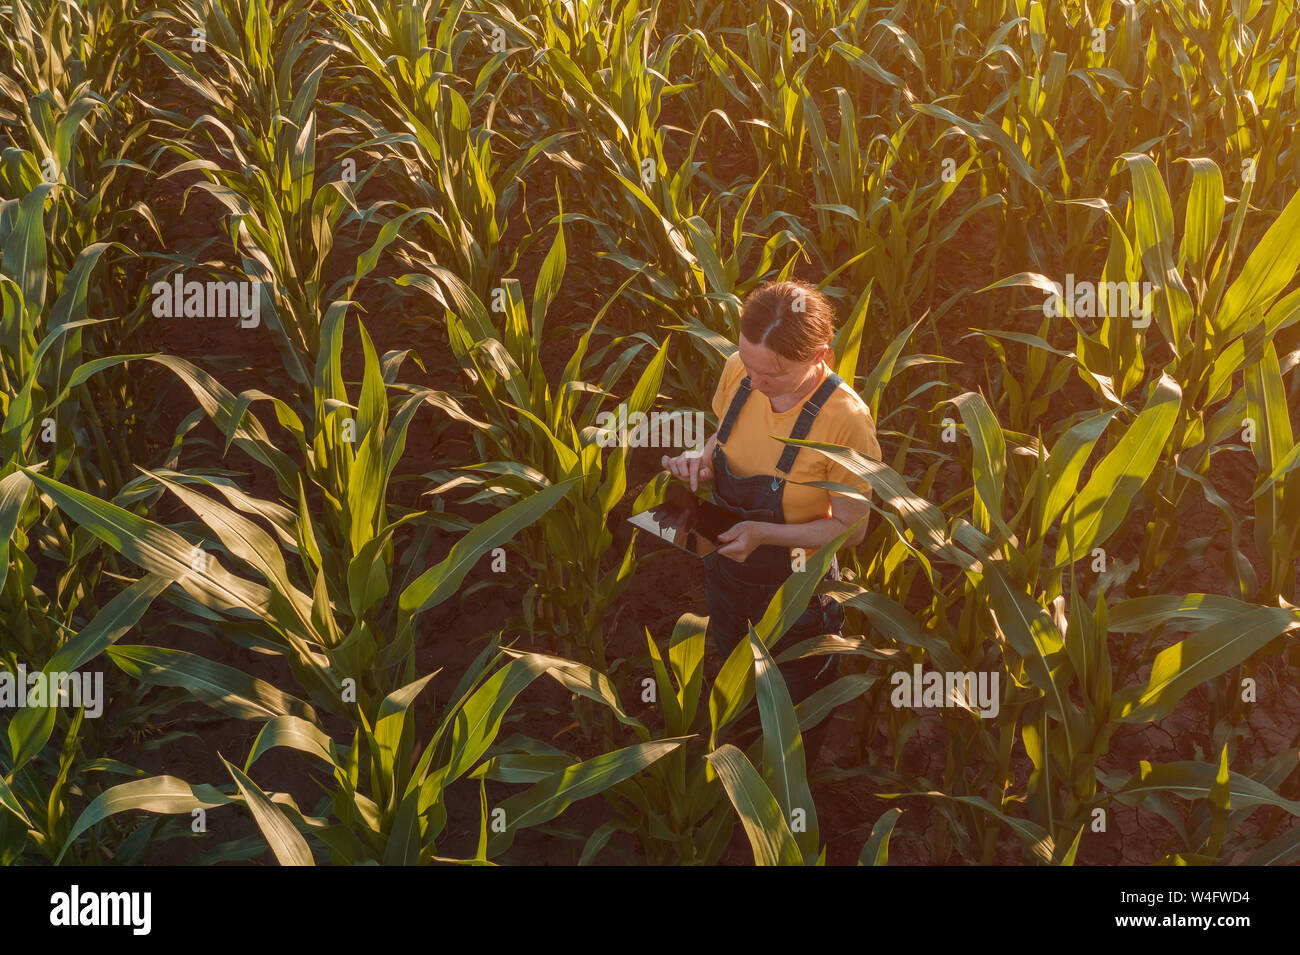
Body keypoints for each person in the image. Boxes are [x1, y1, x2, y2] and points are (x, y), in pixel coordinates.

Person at [660, 279, 882, 762]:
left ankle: (787, 795)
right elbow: (723, 436)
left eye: (774, 376)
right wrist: (700, 461)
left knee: (793, 710)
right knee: (739, 677)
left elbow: (852, 528)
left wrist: (765, 534)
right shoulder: (742, 370)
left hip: (796, 592)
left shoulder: (845, 421)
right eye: (750, 365)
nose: (756, 384)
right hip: (727, 571)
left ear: (819, 353)